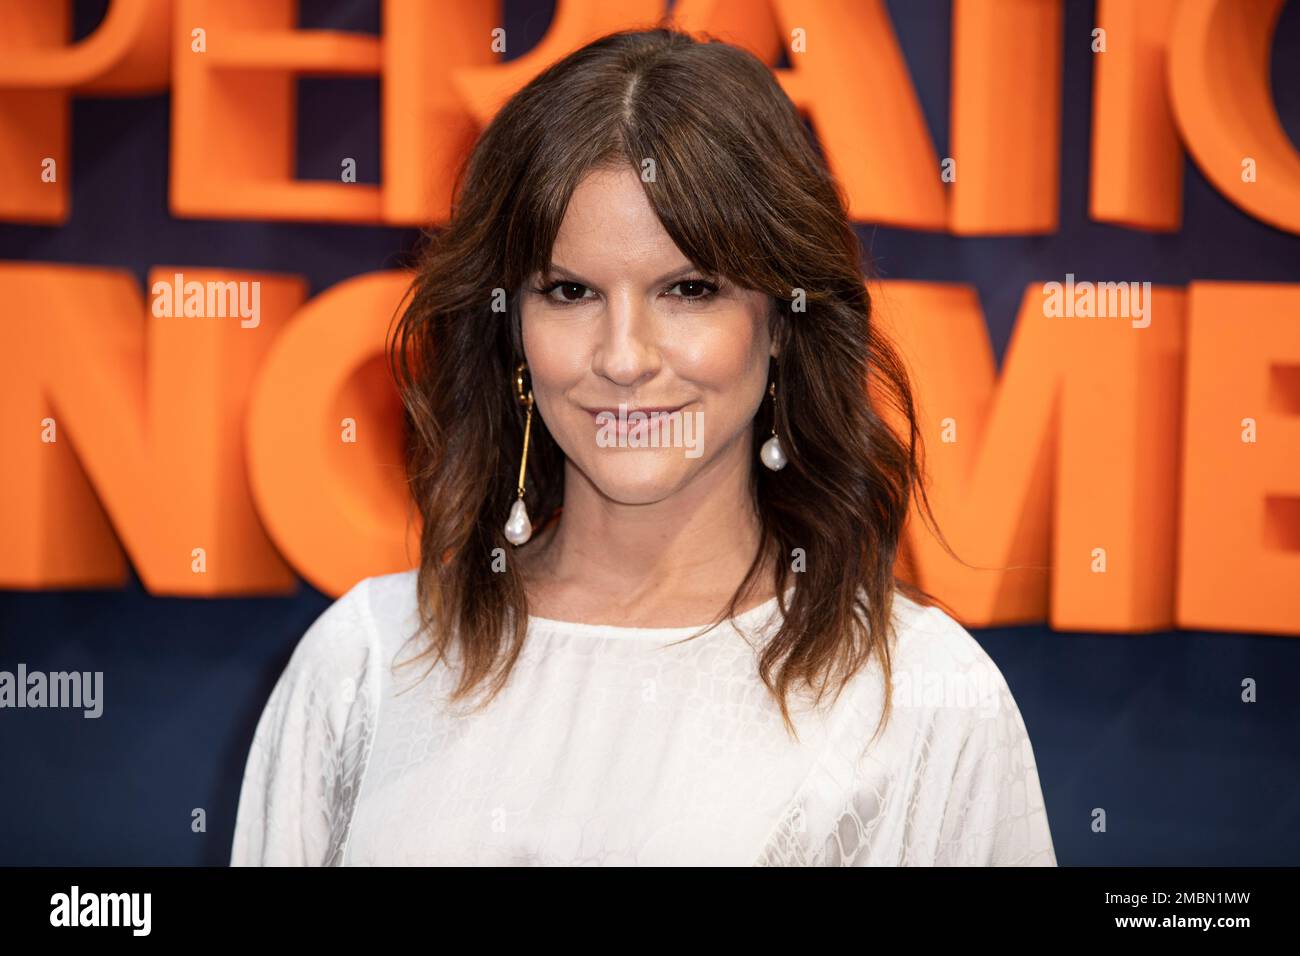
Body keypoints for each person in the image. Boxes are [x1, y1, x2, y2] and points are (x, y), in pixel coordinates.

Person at [231, 26, 1056, 866]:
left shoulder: (921, 698)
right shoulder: (367, 666)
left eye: (689, 290)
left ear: (780, 323)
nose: (623, 358)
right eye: (570, 291)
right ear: (511, 325)